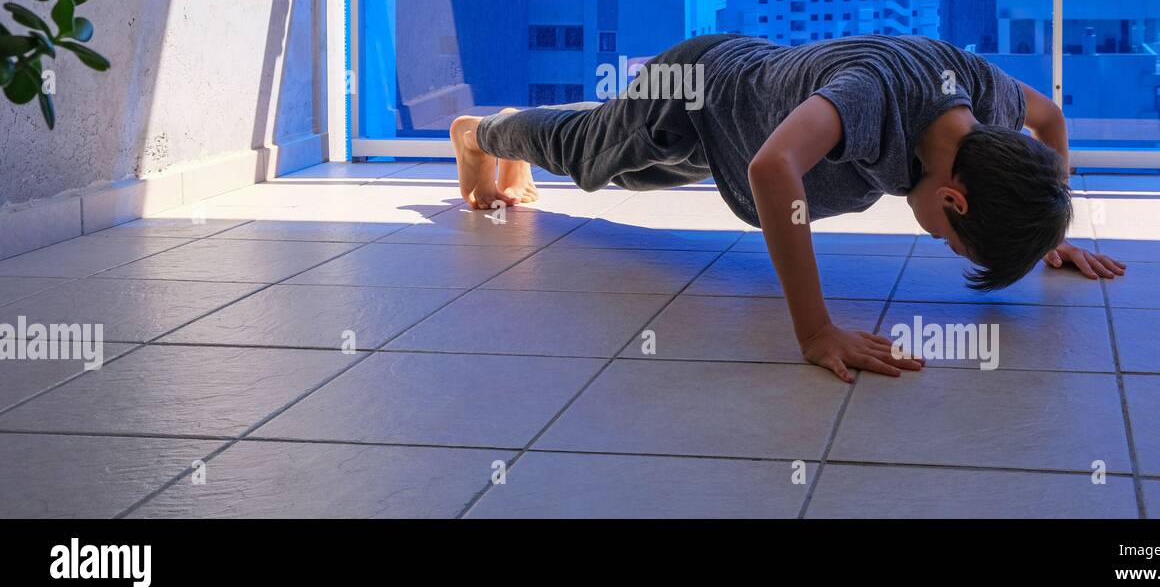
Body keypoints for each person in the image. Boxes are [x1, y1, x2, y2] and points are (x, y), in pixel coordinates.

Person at [450, 33, 1125, 382]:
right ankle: (481, 134)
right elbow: (773, 169)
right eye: (953, 239)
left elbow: (1053, 121)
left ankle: (509, 142)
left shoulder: (991, 105)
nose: (942, 243)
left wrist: (1045, 228)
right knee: (591, 156)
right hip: (697, 94)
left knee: (621, 173)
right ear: (953, 196)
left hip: (747, 113)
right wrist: (816, 330)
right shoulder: (875, 96)